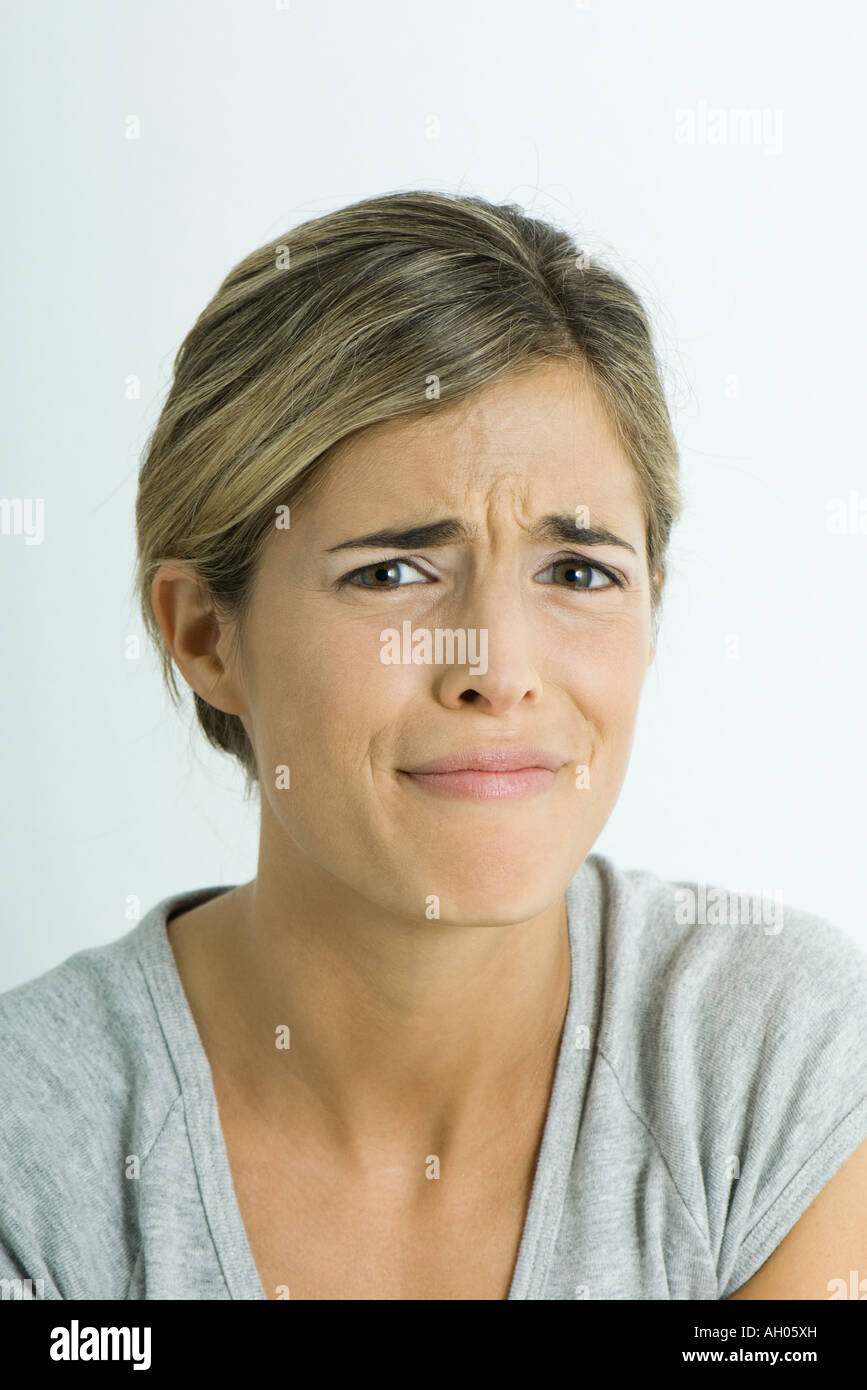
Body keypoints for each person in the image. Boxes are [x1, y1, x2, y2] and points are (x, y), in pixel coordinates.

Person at [2, 190, 866, 1301]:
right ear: (207, 633)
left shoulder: (776, 1070)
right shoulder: (36, 1157)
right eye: (392, 571)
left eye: (579, 571)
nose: (499, 668)